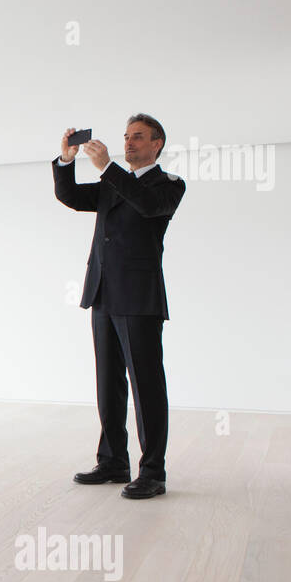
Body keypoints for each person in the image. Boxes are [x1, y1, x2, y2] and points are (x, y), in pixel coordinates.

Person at [52, 115, 186, 499]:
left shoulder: (168, 185)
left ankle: (153, 472)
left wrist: (108, 168)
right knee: (108, 382)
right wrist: (66, 161)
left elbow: (146, 206)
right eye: (126, 137)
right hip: (103, 294)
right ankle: (113, 461)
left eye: (138, 138)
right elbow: (73, 198)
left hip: (139, 298)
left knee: (146, 385)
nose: (128, 143)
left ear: (157, 144)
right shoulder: (113, 183)